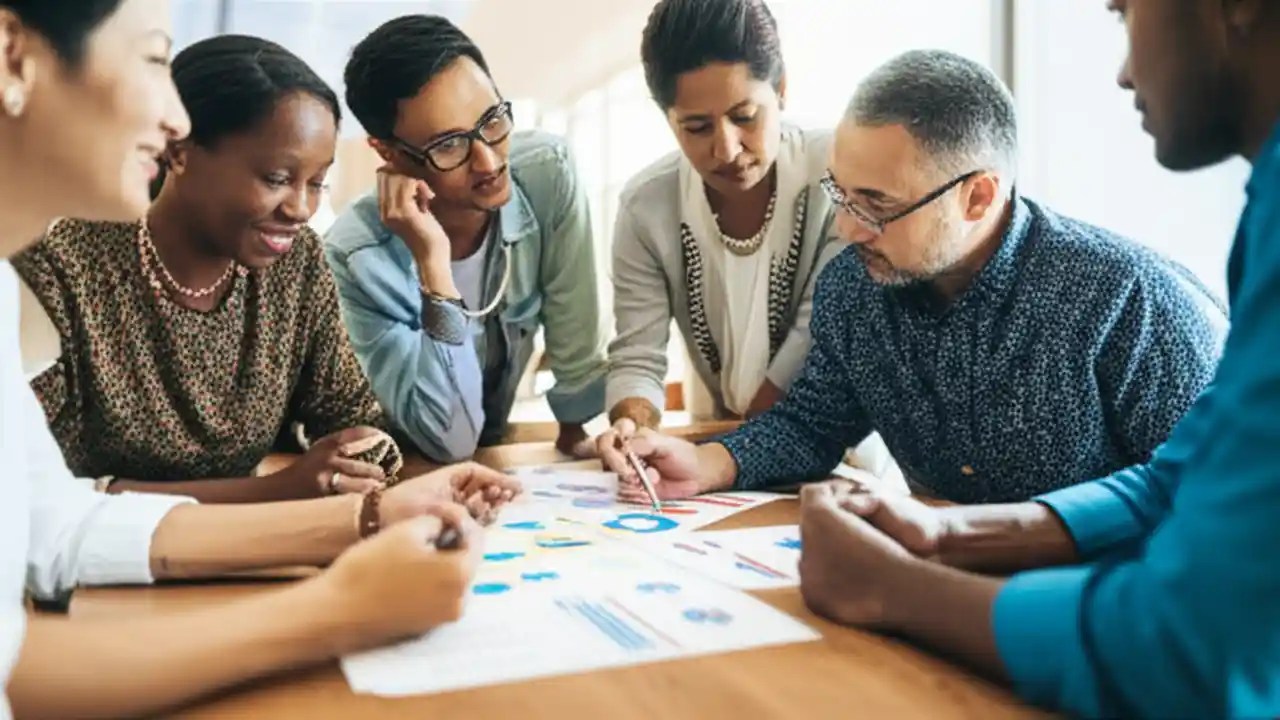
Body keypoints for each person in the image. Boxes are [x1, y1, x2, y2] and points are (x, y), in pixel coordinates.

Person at [0, 3, 519, 717]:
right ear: (11, 54)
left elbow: (56, 525)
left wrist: (369, 517)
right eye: (154, 59)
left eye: (316, 182)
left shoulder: (1, 288)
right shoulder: (51, 266)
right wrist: (338, 607)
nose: (173, 117)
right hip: (111, 622)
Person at [796, 0, 1280, 717]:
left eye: (1123, 13)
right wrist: (949, 532)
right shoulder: (1265, 210)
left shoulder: (1137, 295)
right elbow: (1178, 476)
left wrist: (894, 589)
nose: (1122, 73)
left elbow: (1200, 647)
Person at [607, 49, 1226, 505]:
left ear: (978, 198)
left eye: (876, 206)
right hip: (947, 592)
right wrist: (707, 462)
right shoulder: (856, 290)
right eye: (839, 195)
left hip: (1116, 617)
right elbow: (812, 425)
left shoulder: (1131, 302)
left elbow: (1216, 501)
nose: (847, 231)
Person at [14, 34, 404, 503]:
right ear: (179, 151)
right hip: (98, 569)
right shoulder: (63, 266)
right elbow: (40, 495)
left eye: (317, 183)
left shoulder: (296, 265)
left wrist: (357, 449)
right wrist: (273, 490)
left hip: (245, 556)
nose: (301, 208)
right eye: (277, 179)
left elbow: (347, 414)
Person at [598, 0, 891, 475]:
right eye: (696, 127)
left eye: (744, 116)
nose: (726, 148)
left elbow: (818, 330)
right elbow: (637, 352)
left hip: (841, 457)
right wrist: (633, 425)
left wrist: (732, 452)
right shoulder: (645, 207)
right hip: (721, 451)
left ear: (781, 89)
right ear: (666, 118)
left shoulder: (840, 173)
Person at [326, 15, 607, 464]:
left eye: (492, 119)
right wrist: (433, 266)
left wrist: (578, 432)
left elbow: (576, 331)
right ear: (388, 153)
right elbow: (449, 439)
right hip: (409, 470)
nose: (489, 160)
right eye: (449, 145)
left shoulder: (546, 173)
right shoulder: (355, 259)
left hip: (497, 463)